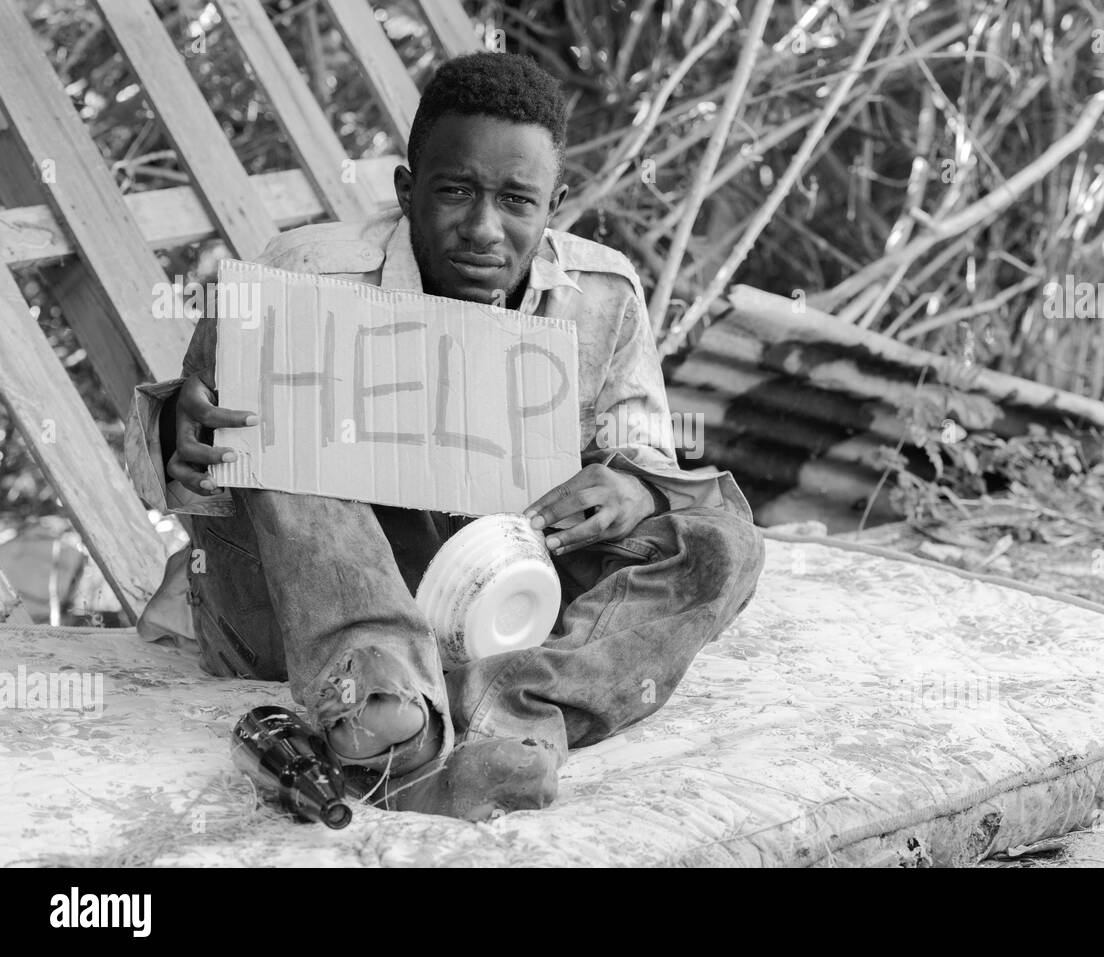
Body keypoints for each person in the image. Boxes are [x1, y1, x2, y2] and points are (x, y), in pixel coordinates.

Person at [125, 51, 764, 820]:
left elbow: (649, 461)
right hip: (302, 612)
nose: (483, 229)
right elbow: (185, 478)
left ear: (554, 204)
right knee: (280, 422)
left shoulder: (603, 298)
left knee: (720, 537)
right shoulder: (302, 280)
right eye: (455, 191)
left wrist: (633, 486)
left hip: (493, 608)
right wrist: (176, 431)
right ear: (406, 190)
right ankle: (388, 721)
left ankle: (503, 707)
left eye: (516, 201)